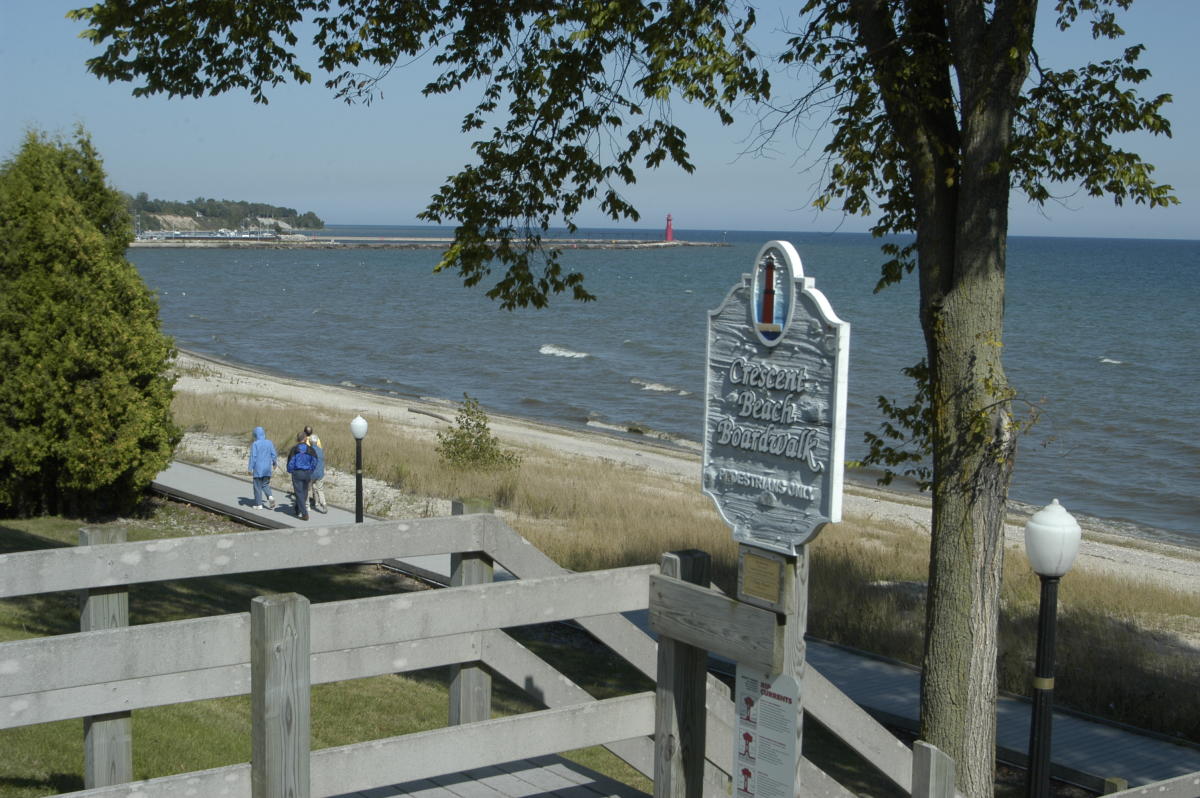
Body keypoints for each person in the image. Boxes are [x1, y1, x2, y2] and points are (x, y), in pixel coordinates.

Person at [286, 431, 317, 520]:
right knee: (304, 492)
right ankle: (298, 507)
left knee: (299, 493)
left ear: (297, 439)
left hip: (297, 472)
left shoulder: (294, 449)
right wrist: (311, 470)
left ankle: (304, 513)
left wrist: (290, 470)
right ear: (305, 439)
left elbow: (291, 462)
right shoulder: (311, 449)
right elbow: (315, 461)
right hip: (307, 472)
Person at [247, 426, 277, 509]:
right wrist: (274, 463)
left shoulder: (255, 444)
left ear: (255, 434)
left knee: (257, 486)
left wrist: (250, 468)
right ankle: (270, 497)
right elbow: (273, 454)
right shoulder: (269, 442)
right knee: (265, 484)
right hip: (267, 468)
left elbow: (253, 457)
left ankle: (259, 504)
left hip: (258, 469)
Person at [304, 424, 327, 513]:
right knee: (319, 489)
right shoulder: (321, 450)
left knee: (308, 489)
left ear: (310, 442)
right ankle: (323, 504)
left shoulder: (308, 450)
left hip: (311, 473)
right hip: (320, 473)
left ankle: (307, 506)